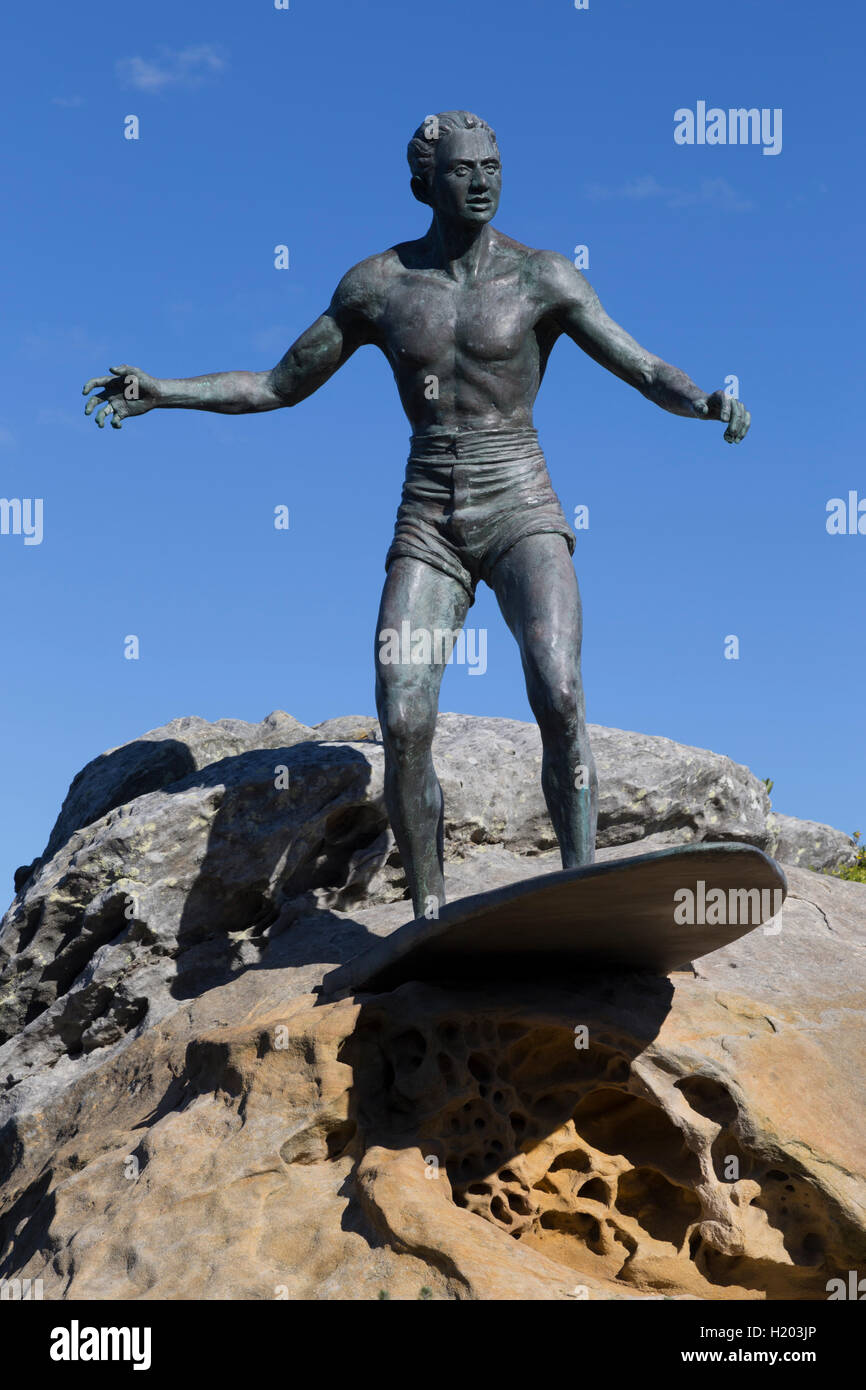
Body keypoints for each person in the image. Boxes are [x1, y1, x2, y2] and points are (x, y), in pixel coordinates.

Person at [83, 110, 751, 917]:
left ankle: (580, 887)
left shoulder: (544, 278)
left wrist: (706, 401)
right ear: (422, 184)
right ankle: (429, 914)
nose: (482, 182)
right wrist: (165, 392)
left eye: (494, 167)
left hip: (521, 504)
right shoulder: (379, 287)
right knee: (401, 714)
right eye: (465, 169)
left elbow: (642, 365)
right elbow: (276, 384)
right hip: (429, 517)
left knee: (560, 689)